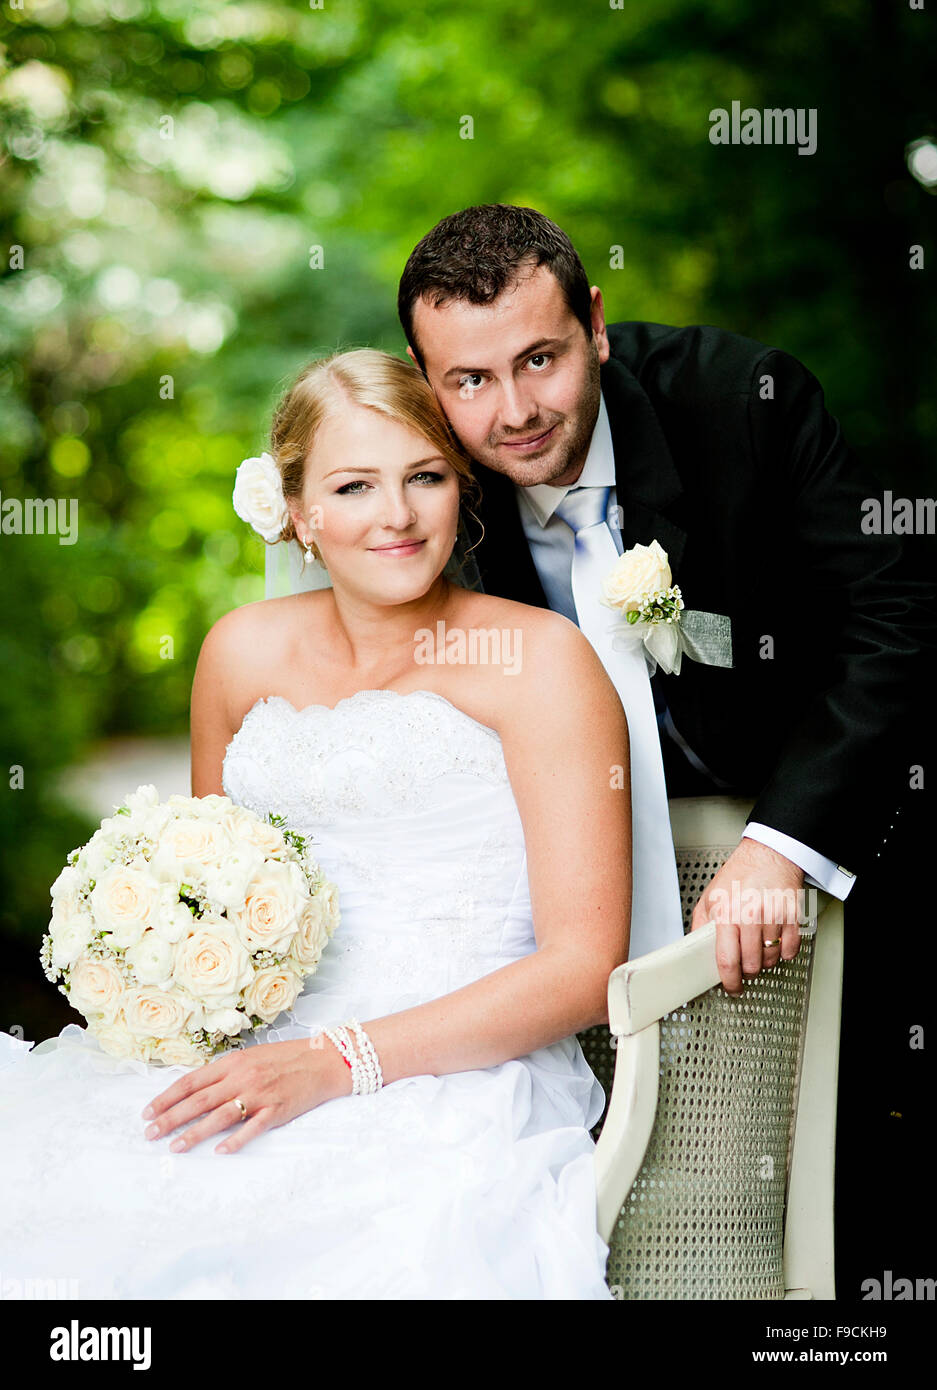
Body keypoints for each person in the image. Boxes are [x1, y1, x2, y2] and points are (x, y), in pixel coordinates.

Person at [0, 348, 626, 1300]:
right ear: (299, 512)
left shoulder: (539, 661)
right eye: (353, 486)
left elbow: (583, 968)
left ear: (461, 486)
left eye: (424, 477)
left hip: (453, 1078)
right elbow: (203, 895)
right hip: (249, 1054)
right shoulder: (238, 653)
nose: (396, 515)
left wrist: (339, 1063)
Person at [397, 203, 937, 988]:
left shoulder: (745, 401)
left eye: (539, 359)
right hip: (563, 905)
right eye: (471, 380)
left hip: (821, 832)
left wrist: (780, 844)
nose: (515, 412)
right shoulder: (423, 487)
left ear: (594, 325)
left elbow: (899, 614)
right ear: (424, 376)